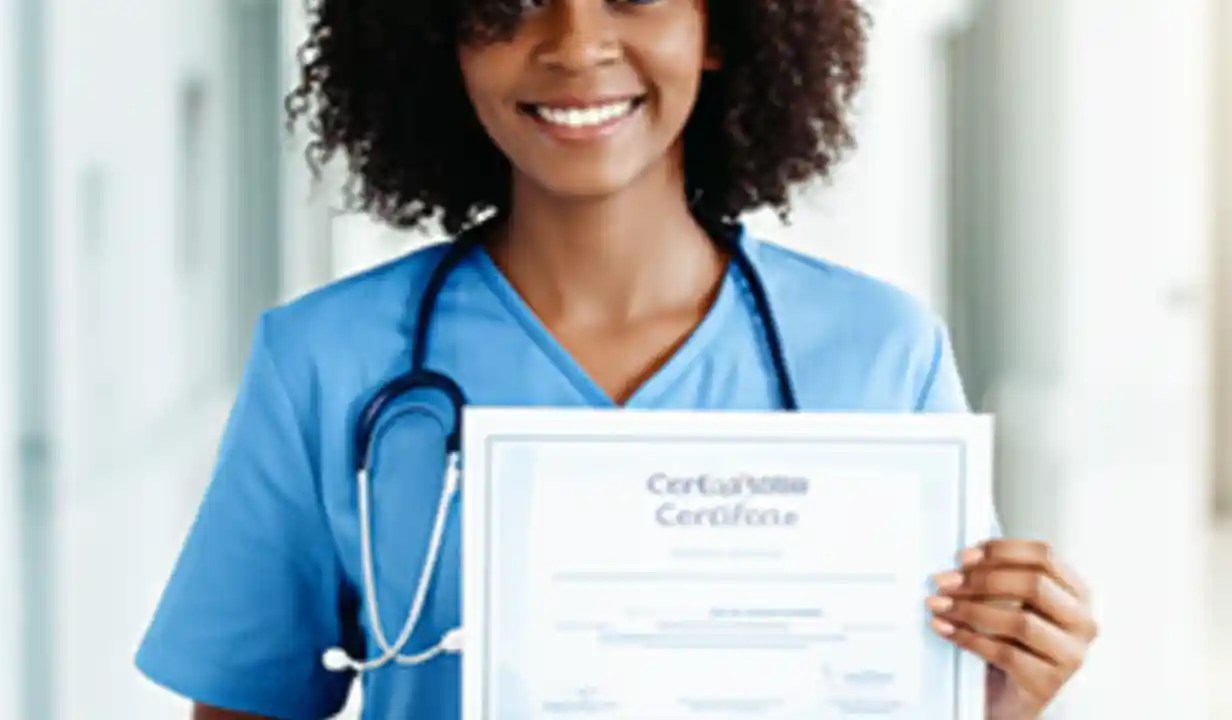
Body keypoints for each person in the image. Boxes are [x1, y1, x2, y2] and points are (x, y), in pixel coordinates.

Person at [134, 0, 1098, 718]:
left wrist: (998, 700)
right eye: (507, 3)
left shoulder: (882, 354)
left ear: (719, 27)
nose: (574, 43)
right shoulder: (327, 363)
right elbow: (241, 706)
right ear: (440, 36)